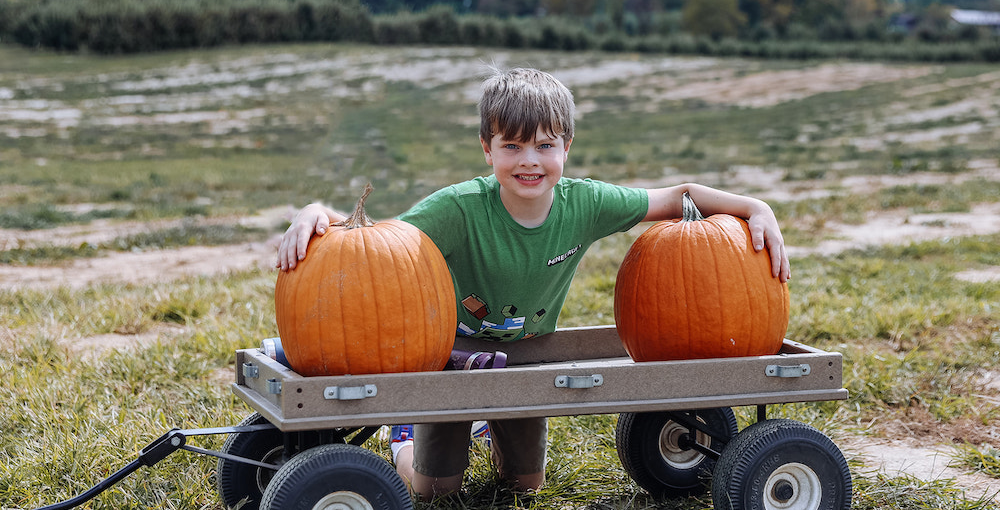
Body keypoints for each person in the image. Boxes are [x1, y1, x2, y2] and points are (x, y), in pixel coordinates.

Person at [276, 67, 790, 499]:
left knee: (524, 486)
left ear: (567, 146)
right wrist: (314, 211)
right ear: (487, 148)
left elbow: (679, 195)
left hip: (525, 355)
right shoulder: (458, 209)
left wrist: (756, 208)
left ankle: (491, 425)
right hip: (452, 356)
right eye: (513, 145)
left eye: (545, 145)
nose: (529, 160)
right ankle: (406, 439)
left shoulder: (585, 204)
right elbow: (371, 240)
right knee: (436, 493)